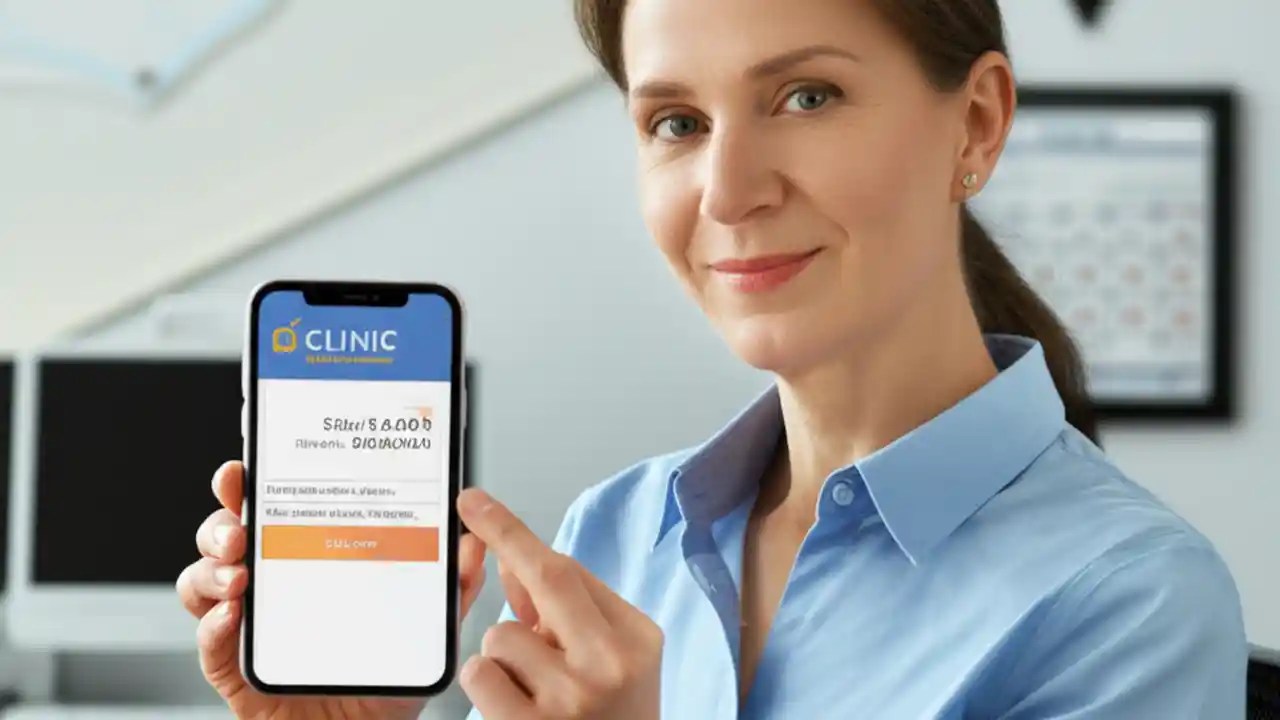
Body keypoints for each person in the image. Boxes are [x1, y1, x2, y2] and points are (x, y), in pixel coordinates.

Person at [176, 0, 1249, 717]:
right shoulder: (609, 533)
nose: (727, 191)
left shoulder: (1131, 602)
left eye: (805, 98)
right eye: (677, 121)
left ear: (973, 123)